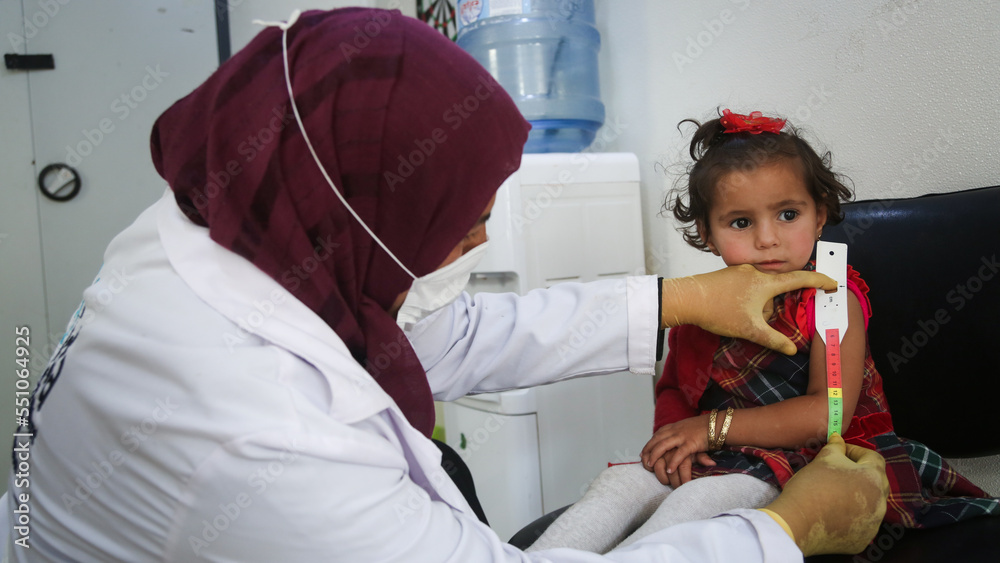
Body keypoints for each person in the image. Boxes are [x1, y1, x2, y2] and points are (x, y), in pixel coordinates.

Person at [3, 11, 887, 562]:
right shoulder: (254, 435)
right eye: (458, 209)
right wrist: (784, 535)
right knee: (629, 489)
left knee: (693, 498)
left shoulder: (224, 219)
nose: (483, 233)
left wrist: (674, 300)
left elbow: (443, 337)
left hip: (754, 461)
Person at [526, 109, 999, 555]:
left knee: (695, 505)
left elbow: (824, 416)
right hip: (716, 450)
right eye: (740, 222)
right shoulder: (703, 301)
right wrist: (675, 445)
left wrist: (709, 431)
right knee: (620, 483)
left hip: (812, 460)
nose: (767, 238)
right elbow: (676, 387)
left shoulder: (834, 301)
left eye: (788, 215)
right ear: (707, 234)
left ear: (820, 214)